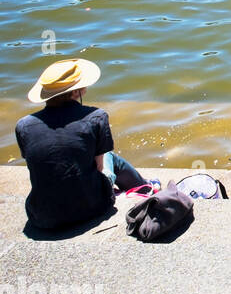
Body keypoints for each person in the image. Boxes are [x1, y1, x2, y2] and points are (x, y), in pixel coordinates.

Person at [16, 59, 146, 231]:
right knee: (110, 157)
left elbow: (38, 165)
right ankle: (144, 189)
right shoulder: (96, 117)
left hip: (41, 217)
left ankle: (142, 187)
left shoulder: (23, 125)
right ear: (77, 91)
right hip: (93, 208)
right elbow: (99, 168)